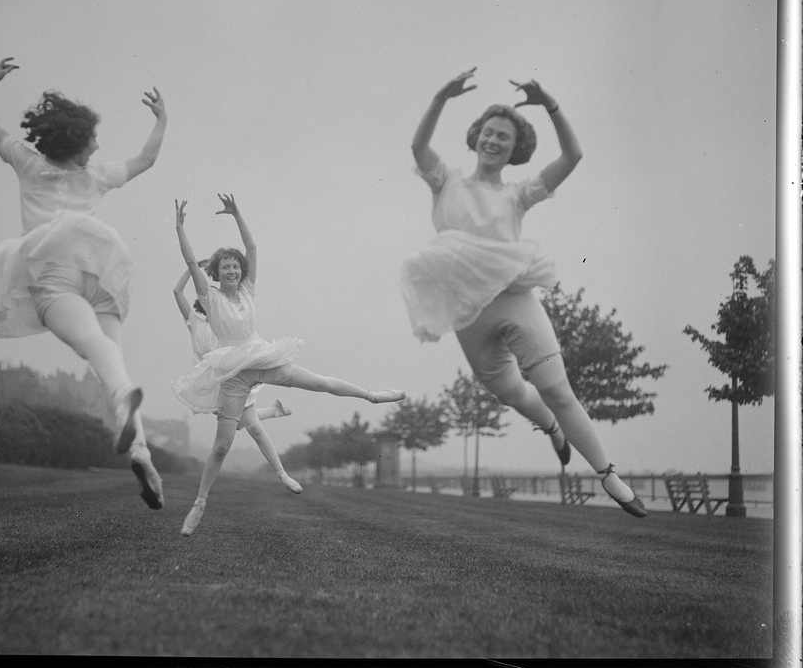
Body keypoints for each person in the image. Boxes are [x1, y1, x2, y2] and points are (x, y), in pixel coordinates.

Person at [401, 67, 647, 517]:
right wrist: (440, 97)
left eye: (505, 138)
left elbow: (573, 156)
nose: (495, 142)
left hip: (514, 299)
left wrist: (550, 104)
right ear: (475, 138)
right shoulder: (446, 181)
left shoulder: (518, 194)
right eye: (489, 133)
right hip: (467, 313)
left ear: (515, 150)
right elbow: (418, 147)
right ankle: (551, 427)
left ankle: (608, 474)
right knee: (509, 391)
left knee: (556, 386)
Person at [0, 57, 165, 510]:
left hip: (58, 275)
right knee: (108, 355)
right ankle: (139, 448)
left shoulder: (28, 163)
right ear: (76, 144)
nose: (97, 148)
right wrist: (162, 120)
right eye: (93, 140)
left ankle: (124, 410)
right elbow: (148, 158)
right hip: (100, 270)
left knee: (94, 346)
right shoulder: (94, 177)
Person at [173, 195, 405, 535]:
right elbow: (192, 263)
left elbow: (252, 246)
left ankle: (371, 395)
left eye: (236, 267)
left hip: (263, 358)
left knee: (321, 383)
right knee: (222, 445)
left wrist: (238, 214)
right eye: (226, 268)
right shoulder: (211, 298)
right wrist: (180, 226)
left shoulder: (249, 289)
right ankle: (200, 503)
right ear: (217, 274)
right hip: (233, 373)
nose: (233, 271)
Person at [174, 266, 301, 494]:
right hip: (212, 382)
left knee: (249, 425)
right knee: (241, 424)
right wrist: (190, 269)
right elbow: (177, 292)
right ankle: (274, 412)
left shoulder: (220, 326)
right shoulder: (194, 323)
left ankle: (282, 472)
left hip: (232, 377)